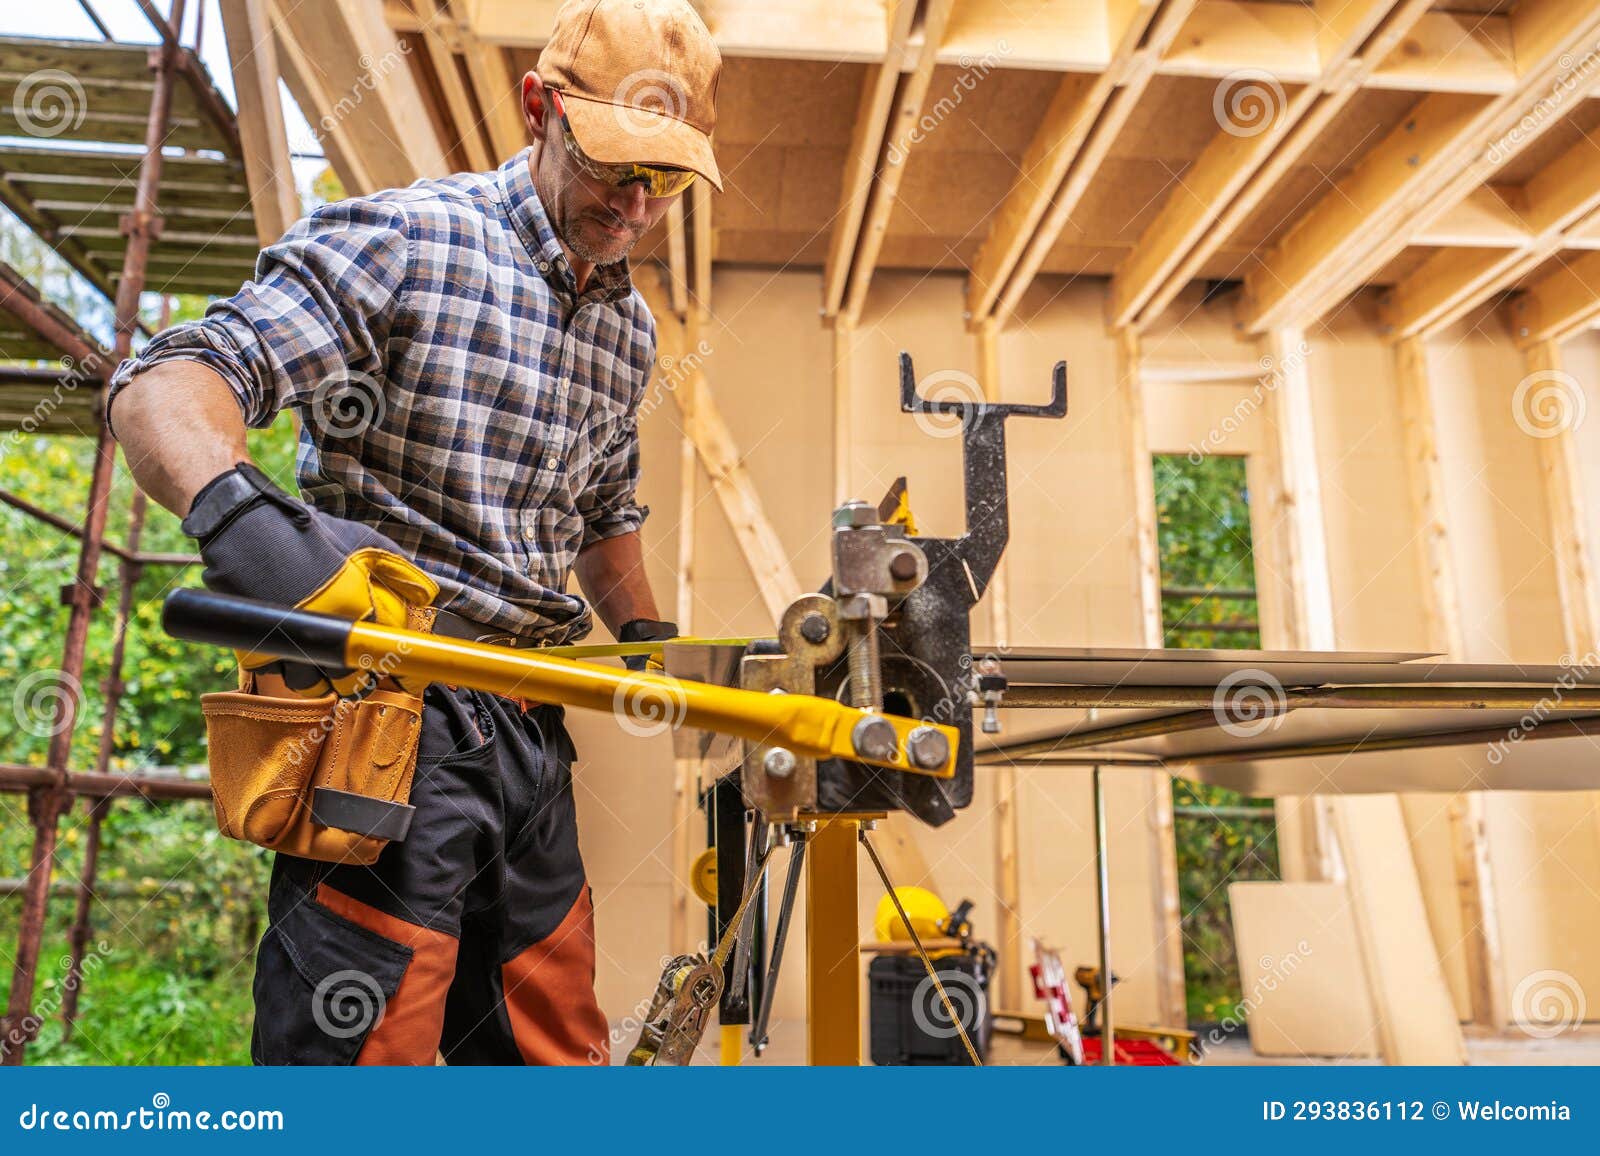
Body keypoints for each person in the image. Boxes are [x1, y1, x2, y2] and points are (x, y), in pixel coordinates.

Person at [106, 0, 721, 1064]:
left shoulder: (626, 326)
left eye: (665, 179)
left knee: (547, 1055)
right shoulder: (407, 241)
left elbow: (603, 521)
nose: (635, 203)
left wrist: (664, 650)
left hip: (533, 729)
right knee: (363, 1063)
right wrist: (236, 512)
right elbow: (168, 380)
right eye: (616, 163)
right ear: (540, 108)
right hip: (392, 722)